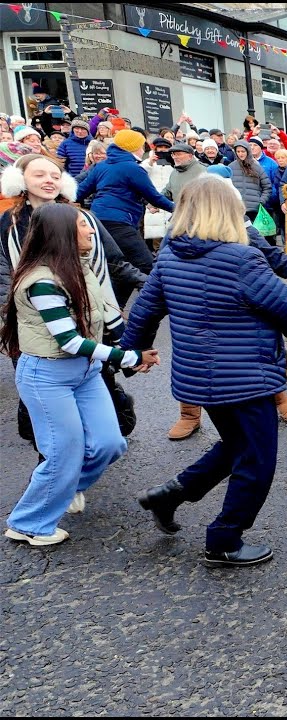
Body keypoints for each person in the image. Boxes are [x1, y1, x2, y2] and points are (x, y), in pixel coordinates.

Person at [126, 176, 287, 567]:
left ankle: (172, 493)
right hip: (246, 378)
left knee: (238, 446)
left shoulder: (170, 255)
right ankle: (224, 538)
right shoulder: (242, 259)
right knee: (257, 461)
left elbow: (144, 309)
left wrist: (132, 352)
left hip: (199, 378)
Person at [1, 204, 154, 546]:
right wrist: (128, 356)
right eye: (84, 226)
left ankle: (63, 486)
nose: (91, 231)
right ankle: (27, 523)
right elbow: (69, 341)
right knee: (63, 453)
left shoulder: (81, 266)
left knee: (110, 443)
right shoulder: (41, 281)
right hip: (47, 376)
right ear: (63, 235)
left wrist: (130, 351)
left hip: (85, 372)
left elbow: (107, 315)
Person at [75, 129, 175, 276]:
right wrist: (177, 208)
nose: (143, 150)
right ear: (133, 148)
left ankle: (116, 299)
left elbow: (79, 192)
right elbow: (154, 197)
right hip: (120, 223)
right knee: (146, 265)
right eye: (142, 147)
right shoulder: (133, 168)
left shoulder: (101, 166)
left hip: (97, 221)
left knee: (120, 266)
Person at [229, 140, 272, 220]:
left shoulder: (256, 167)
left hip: (254, 209)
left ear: (248, 151)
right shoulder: (231, 167)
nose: (240, 154)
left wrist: (260, 201)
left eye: (243, 151)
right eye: (238, 151)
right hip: (237, 209)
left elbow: (267, 187)